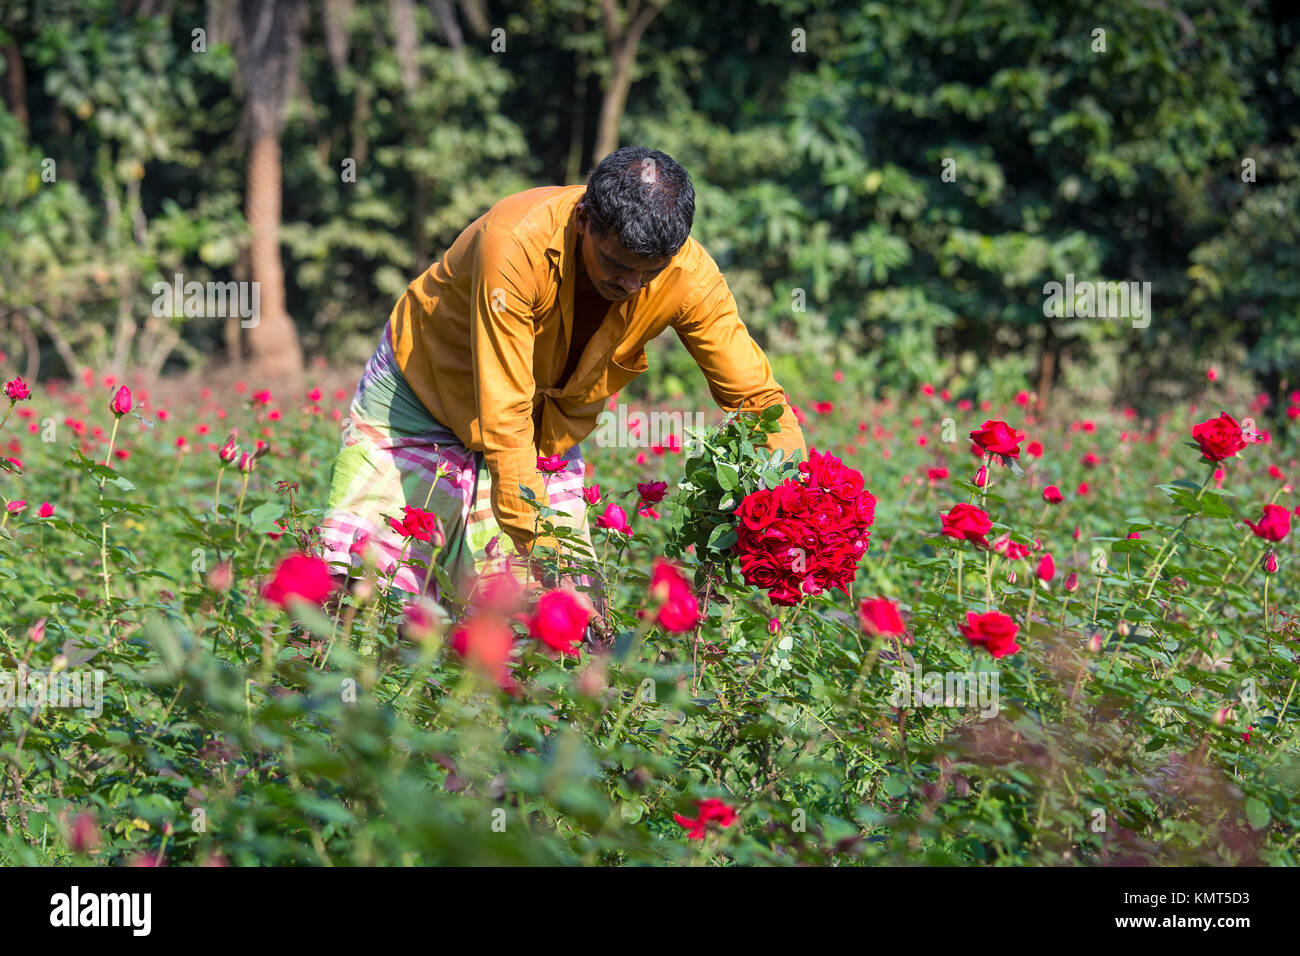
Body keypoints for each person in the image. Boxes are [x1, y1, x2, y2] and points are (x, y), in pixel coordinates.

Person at [320, 146, 806, 620]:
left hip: (539, 428)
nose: (633, 286)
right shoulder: (514, 244)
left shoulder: (689, 275)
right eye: (616, 265)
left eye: (650, 273)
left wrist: (794, 504)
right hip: (422, 396)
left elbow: (757, 399)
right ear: (584, 220)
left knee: (554, 632)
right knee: (357, 598)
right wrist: (552, 565)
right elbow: (504, 417)